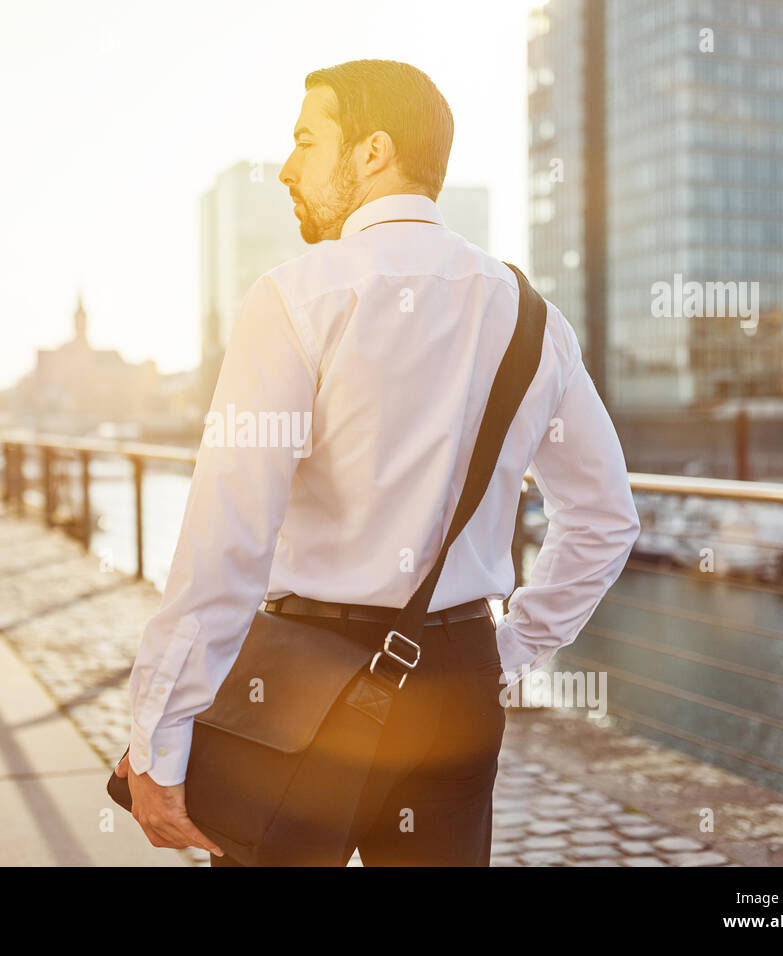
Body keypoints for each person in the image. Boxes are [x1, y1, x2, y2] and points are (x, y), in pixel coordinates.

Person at [116, 59, 640, 866]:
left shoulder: (298, 297)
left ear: (372, 152)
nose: (287, 167)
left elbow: (228, 537)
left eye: (305, 140)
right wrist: (505, 653)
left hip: (304, 691)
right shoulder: (532, 317)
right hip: (459, 688)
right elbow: (605, 519)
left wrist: (159, 738)